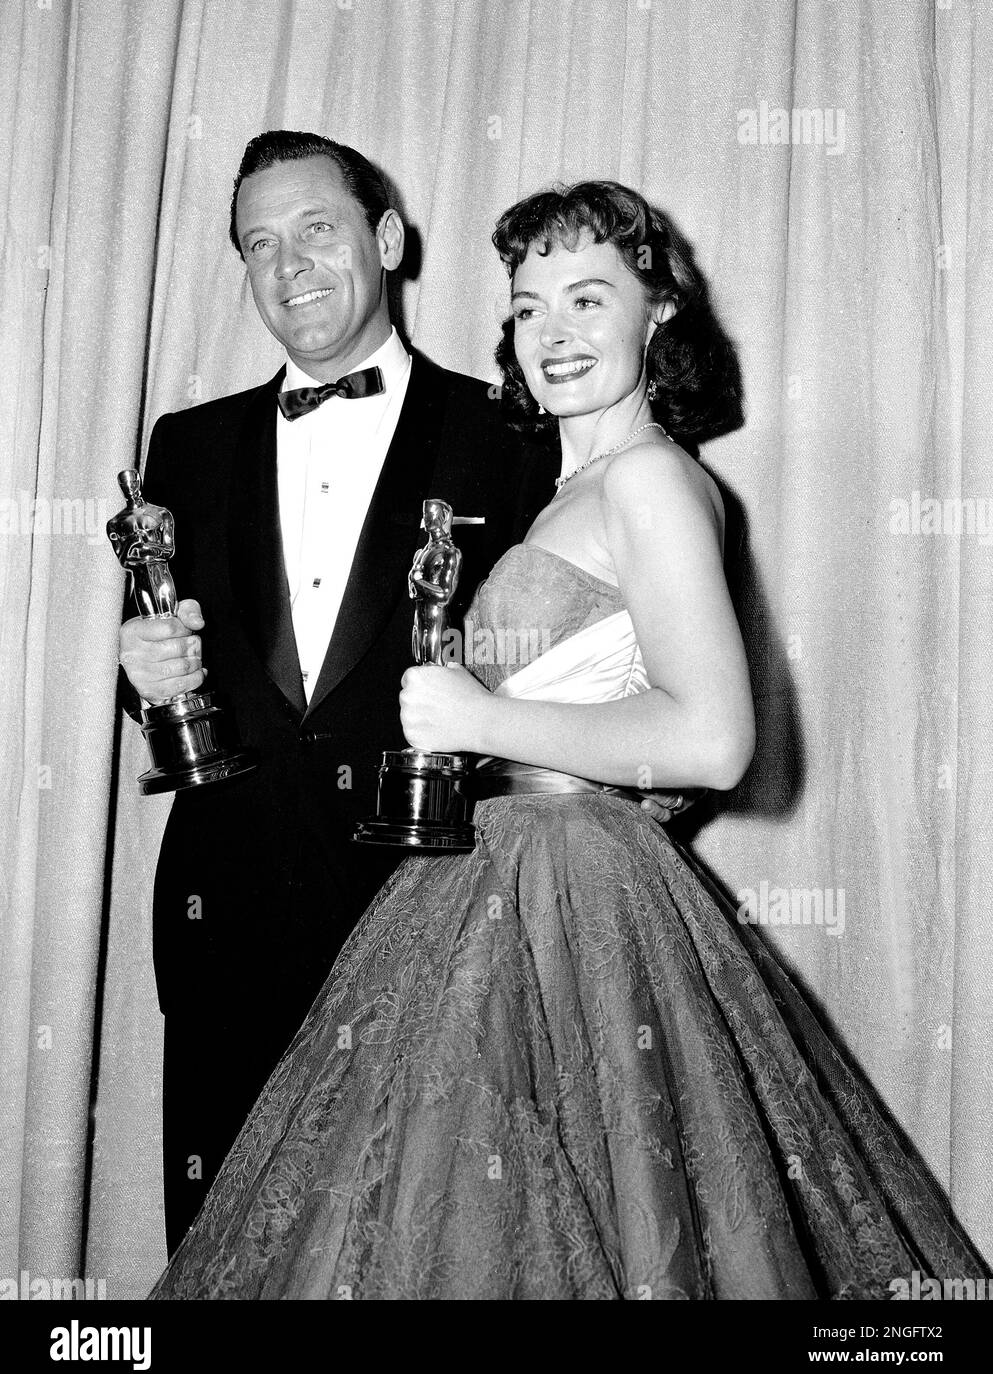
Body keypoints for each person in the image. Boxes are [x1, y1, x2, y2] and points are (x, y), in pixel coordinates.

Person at [148, 179, 986, 1300]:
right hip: (492, 876)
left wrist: (486, 721)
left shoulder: (649, 480)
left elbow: (716, 740)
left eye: (590, 300)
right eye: (531, 307)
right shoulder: (567, 489)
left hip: (572, 889)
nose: (555, 334)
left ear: (659, 315)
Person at [118, 134, 687, 1255]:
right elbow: (176, 661)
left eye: (317, 229)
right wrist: (143, 679)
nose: (290, 266)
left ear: (386, 240)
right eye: (258, 244)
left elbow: (609, 670)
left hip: (428, 932)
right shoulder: (184, 446)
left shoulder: (518, 434)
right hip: (223, 932)